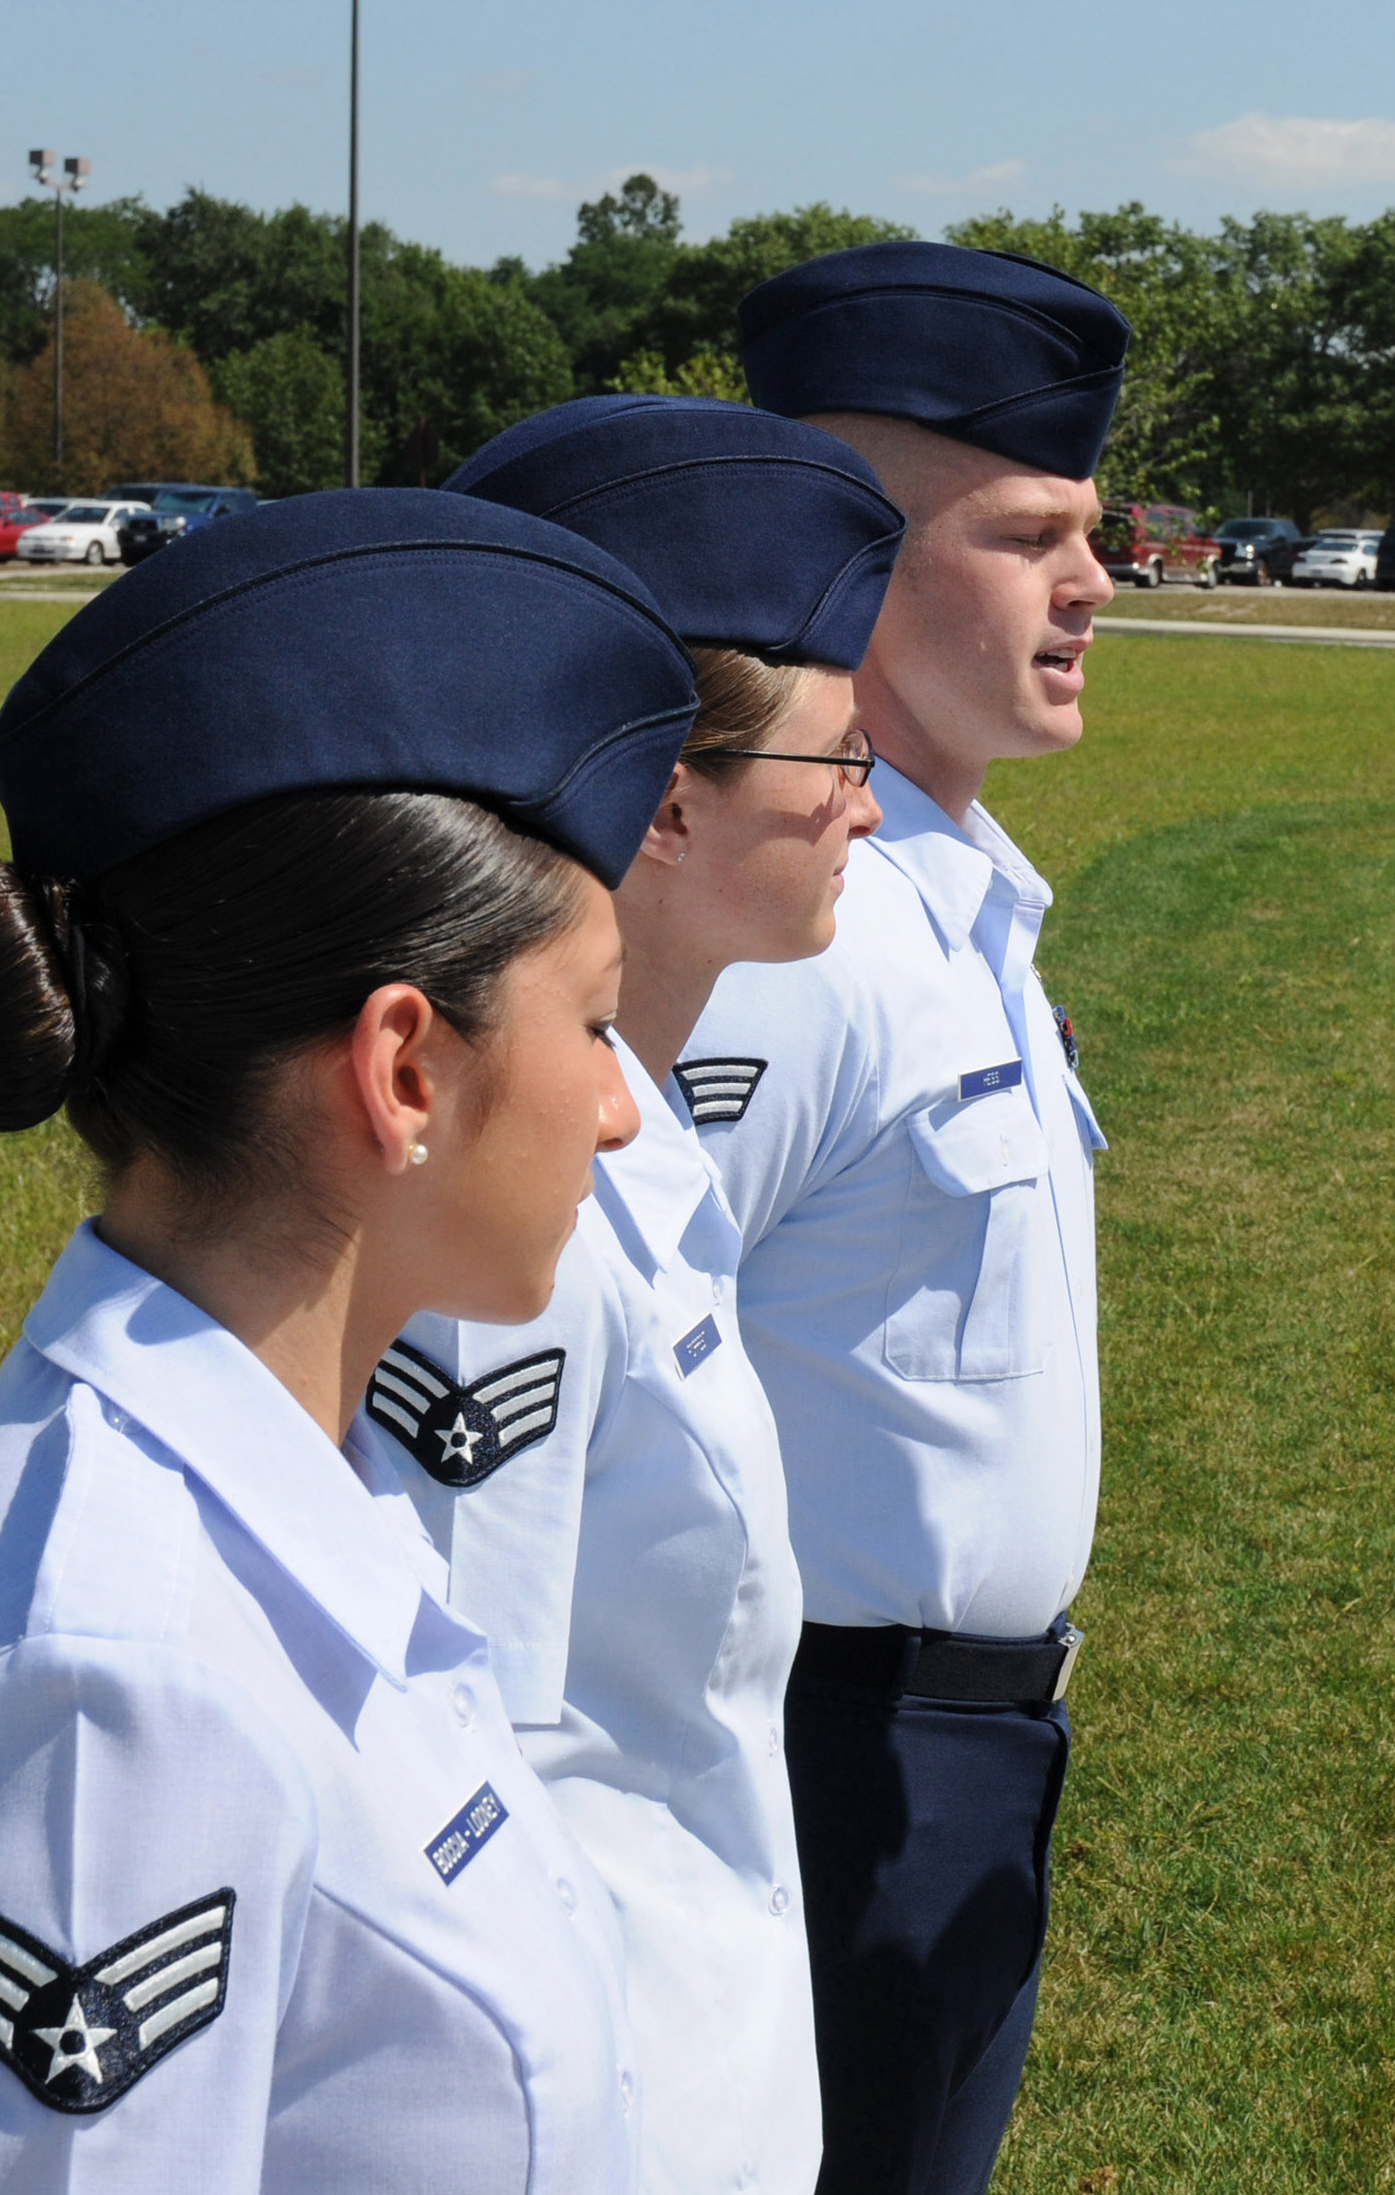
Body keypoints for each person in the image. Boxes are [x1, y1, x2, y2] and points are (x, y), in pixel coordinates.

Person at [0, 489, 701, 2192]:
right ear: (403, 1069)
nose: (626, 1113)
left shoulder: (273, 1507)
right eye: (598, 1023)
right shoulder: (111, 1695)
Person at [351, 395, 899, 2195]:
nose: (870, 810)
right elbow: (453, 1776)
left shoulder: (636, 1149)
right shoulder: (497, 1240)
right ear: (667, 801)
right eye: (834, 764)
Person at [666, 243, 1128, 2195]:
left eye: (1094, 533)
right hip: (816, 1764)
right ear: (855, 568)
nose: (1098, 586)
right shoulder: (803, 943)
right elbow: (597, 1369)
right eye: (1031, 535)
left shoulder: (953, 895)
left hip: (955, 1760)